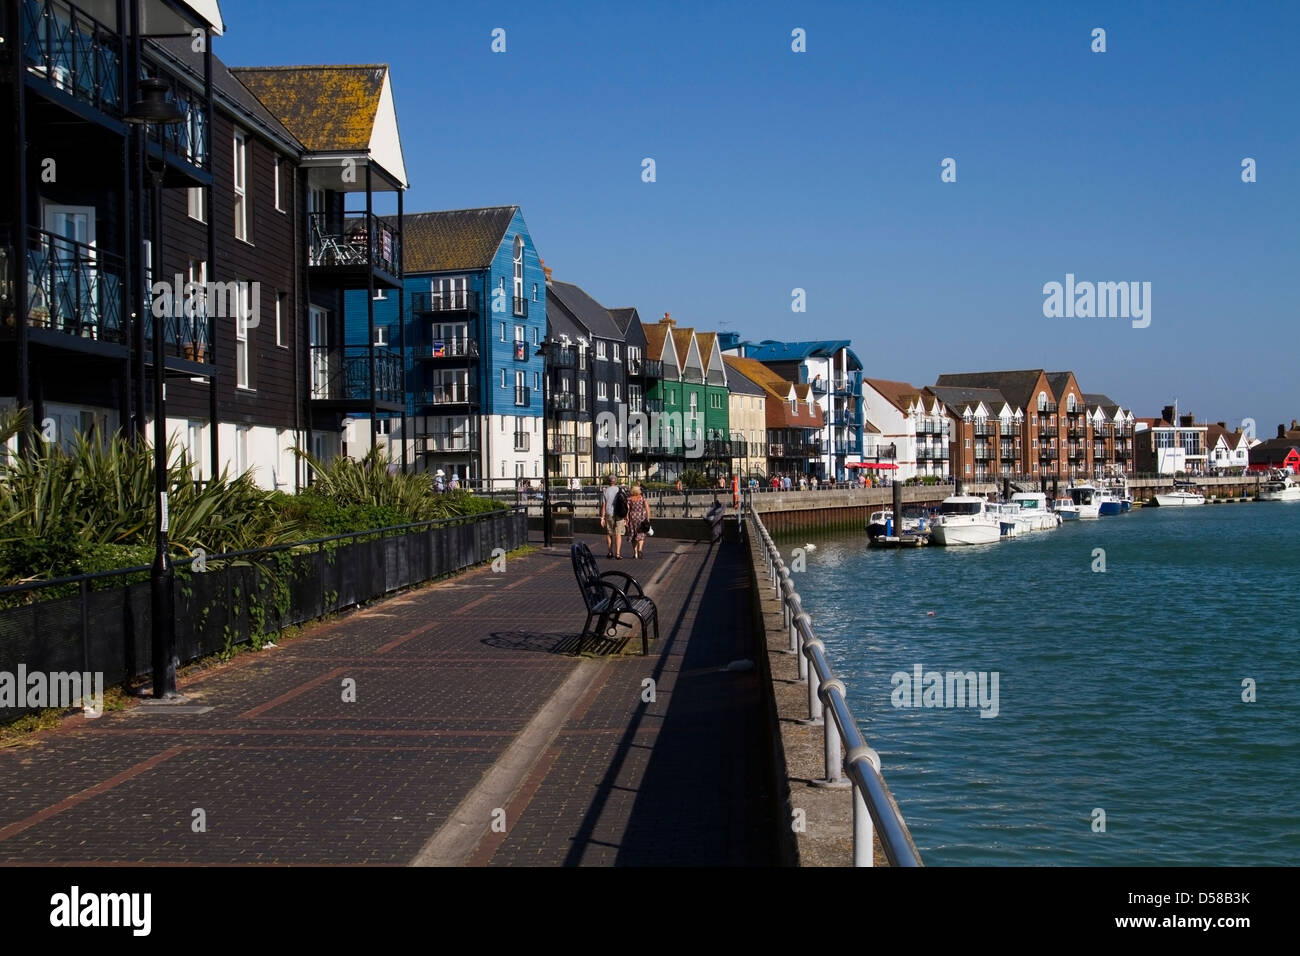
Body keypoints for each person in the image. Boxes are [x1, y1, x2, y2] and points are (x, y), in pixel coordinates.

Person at [599, 473, 626, 559]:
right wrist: (626, 517)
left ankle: (610, 552)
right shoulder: (621, 490)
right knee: (618, 534)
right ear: (616, 481)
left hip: (609, 513)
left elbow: (603, 505)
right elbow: (626, 503)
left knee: (609, 533)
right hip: (620, 514)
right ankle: (618, 554)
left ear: (609, 481)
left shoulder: (605, 491)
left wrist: (602, 518)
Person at [625, 483, 652, 558]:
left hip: (632, 518)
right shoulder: (642, 498)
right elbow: (647, 508)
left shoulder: (629, 499)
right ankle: (640, 549)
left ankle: (635, 553)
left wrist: (626, 519)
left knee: (633, 535)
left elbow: (627, 510)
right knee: (641, 534)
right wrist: (648, 519)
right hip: (641, 518)